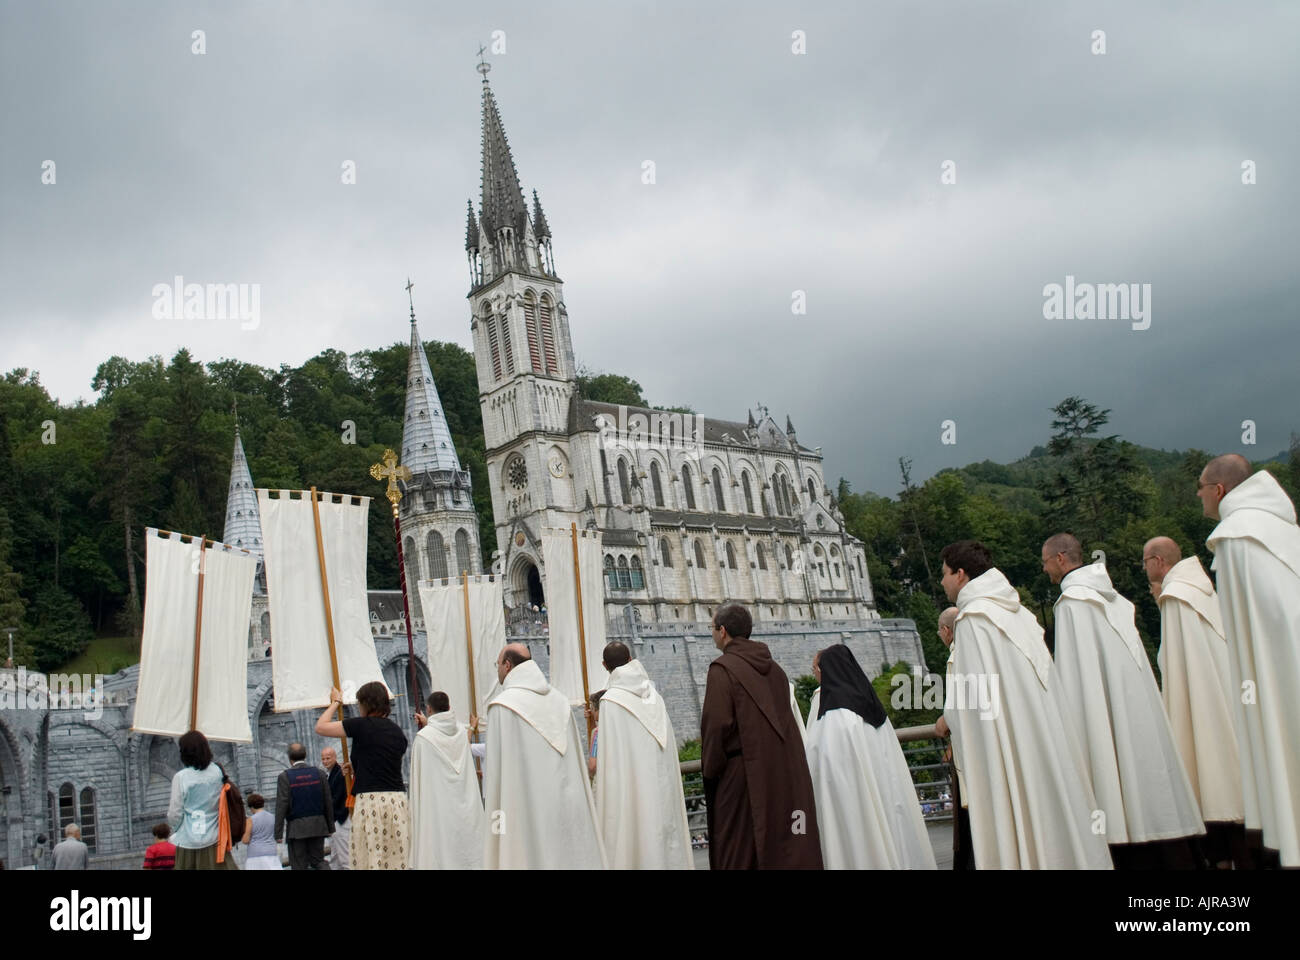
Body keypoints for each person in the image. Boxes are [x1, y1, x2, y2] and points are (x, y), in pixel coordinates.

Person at [940, 540, 1111, 869]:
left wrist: (949, 719)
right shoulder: (1020, 615)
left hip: (1007, 750)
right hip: (1044, 742)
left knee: (1018, 830)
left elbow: (969, 708)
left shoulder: (975, 621)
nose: (943, 582)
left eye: (945, 574)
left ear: (960, 575)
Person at [1044, 533, 1205, 869]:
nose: (1045, 570)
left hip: (1100, 721)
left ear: (1060, 558)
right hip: (1136, 713)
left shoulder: (1073, 604)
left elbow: (1078, 686)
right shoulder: (1115, 601)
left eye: (1045, 562)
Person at [1200, 454, 1300, 868]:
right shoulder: (1284, 532)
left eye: (1201, 490)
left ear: (1219, 490)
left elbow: (1269, 623)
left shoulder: (1238, 536)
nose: (1200, 499)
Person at [1145, 536, 1247, 868]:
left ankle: (1219, 858)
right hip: (1224, 704)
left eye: (1145, 562)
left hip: (1201, 711)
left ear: (1158, 562)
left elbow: (1172, 662)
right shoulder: (1204, 592)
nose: (1144, 568)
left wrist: (1162, 602)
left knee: (1207, 780)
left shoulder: (1177, 597)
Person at [700, 603, 822, 869]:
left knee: (741, 852)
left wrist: (711, 772)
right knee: (781, 847)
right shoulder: (775, 670)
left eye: (712, 628)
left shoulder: (722, 670)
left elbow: (715, 729)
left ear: (722, 631)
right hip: (780, 774)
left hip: (741, 778)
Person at [804, 644, 936, 869]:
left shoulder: (836, 717)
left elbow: (825, 768)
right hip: (886, 799)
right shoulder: (875, 712)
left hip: (855, 809)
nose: (815, 673)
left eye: (817, 668)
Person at [482, 643, 605, 869]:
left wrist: (496, 829)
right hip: (567, 809)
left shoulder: (502, 707)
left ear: (507, 666)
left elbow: (496, 780)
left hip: (524, 814)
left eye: (497, 664)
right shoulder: (561, 702)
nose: (497, 669)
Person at [592, 641, 693, 870]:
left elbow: (610, 762)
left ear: (604, 665)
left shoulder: (610, 701)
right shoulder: (655, 697)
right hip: (661, 786)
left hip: (632, 790)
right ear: (630, 660)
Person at [315, 681, 409, 870]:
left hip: (371, 801)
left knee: (371, 859)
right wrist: (358, 767)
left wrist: (335, 702)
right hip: (397, 801)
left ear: (366, 704)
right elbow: (381, 763)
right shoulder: (398, 733)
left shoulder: (361, 726)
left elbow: (321, 727)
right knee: (395, 860)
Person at [409, 691, 486, 869]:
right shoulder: (460, 732)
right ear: (449, 708)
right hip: (464, 805)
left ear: (428, 709)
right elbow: (449, 735)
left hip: (438, 809)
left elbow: (419, 782)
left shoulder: (423, 739)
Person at [168, 729, 238, 869]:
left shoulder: (181, 777)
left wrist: (178, 830)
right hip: (215, 839)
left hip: (188, 841)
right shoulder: (217, 772)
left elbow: (174, 814)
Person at [273, 741, 334, 870]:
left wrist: (278, 833)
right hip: (318, 826)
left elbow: (281, 805)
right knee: (318, 860)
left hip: (297, 829)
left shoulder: (285, 777)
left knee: (299, 865)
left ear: (289, 758)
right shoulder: (319, 774)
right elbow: (327, 801)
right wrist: (330, 827)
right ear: (305, 755)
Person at [320, 746, 350, 870]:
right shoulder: (332, 774)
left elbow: (337, 798)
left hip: (340, 819)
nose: (325, 761)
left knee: (344, 857)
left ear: (335, 757)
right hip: (336, 820)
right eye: (323, 759)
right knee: (335, 857)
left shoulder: (340, 773)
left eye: (328, 758)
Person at [242, 794, 281, 870]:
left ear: (251, 807)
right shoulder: (272, 817)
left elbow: (245, 840)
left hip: (255, 855)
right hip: (272, 852)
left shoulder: (250, 820)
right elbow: (277, 836)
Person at [585, 690, 603, 778]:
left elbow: (592, 766)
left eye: (592, 708)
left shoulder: (598, 733)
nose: (590, 711)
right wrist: (592, 720)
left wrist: (589, 778)